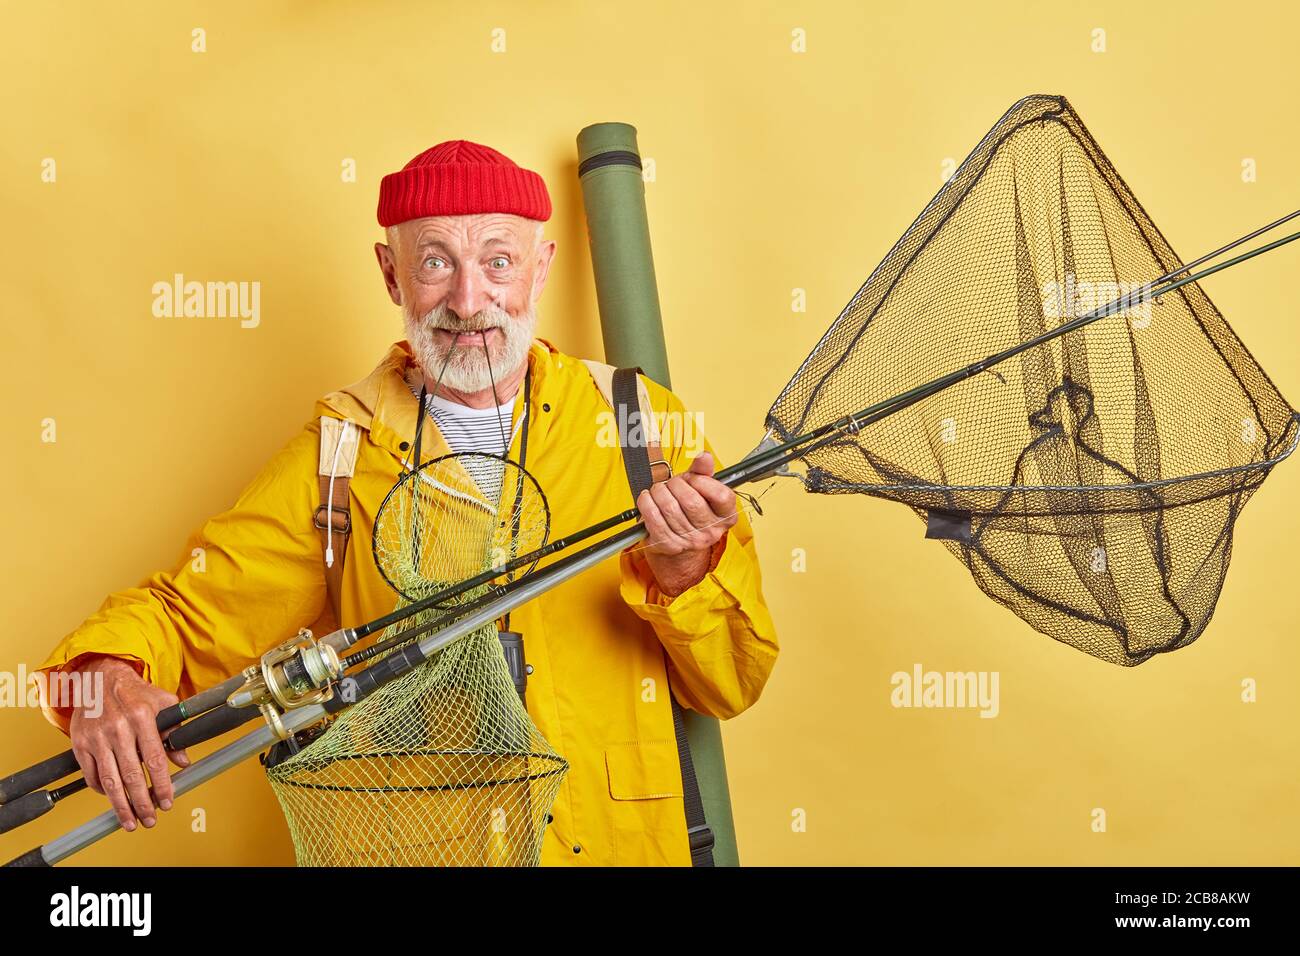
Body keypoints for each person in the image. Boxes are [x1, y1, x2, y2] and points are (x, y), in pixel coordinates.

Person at [36, 140, 779, 866]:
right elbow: (188, 614)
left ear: (540, 267)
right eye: (434, 262)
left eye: (497, 260)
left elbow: (733, 684)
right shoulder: (339, 454)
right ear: (391, 274)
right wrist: (104, 674)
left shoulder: (638, 421)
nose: (467, 299)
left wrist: (684, 577)